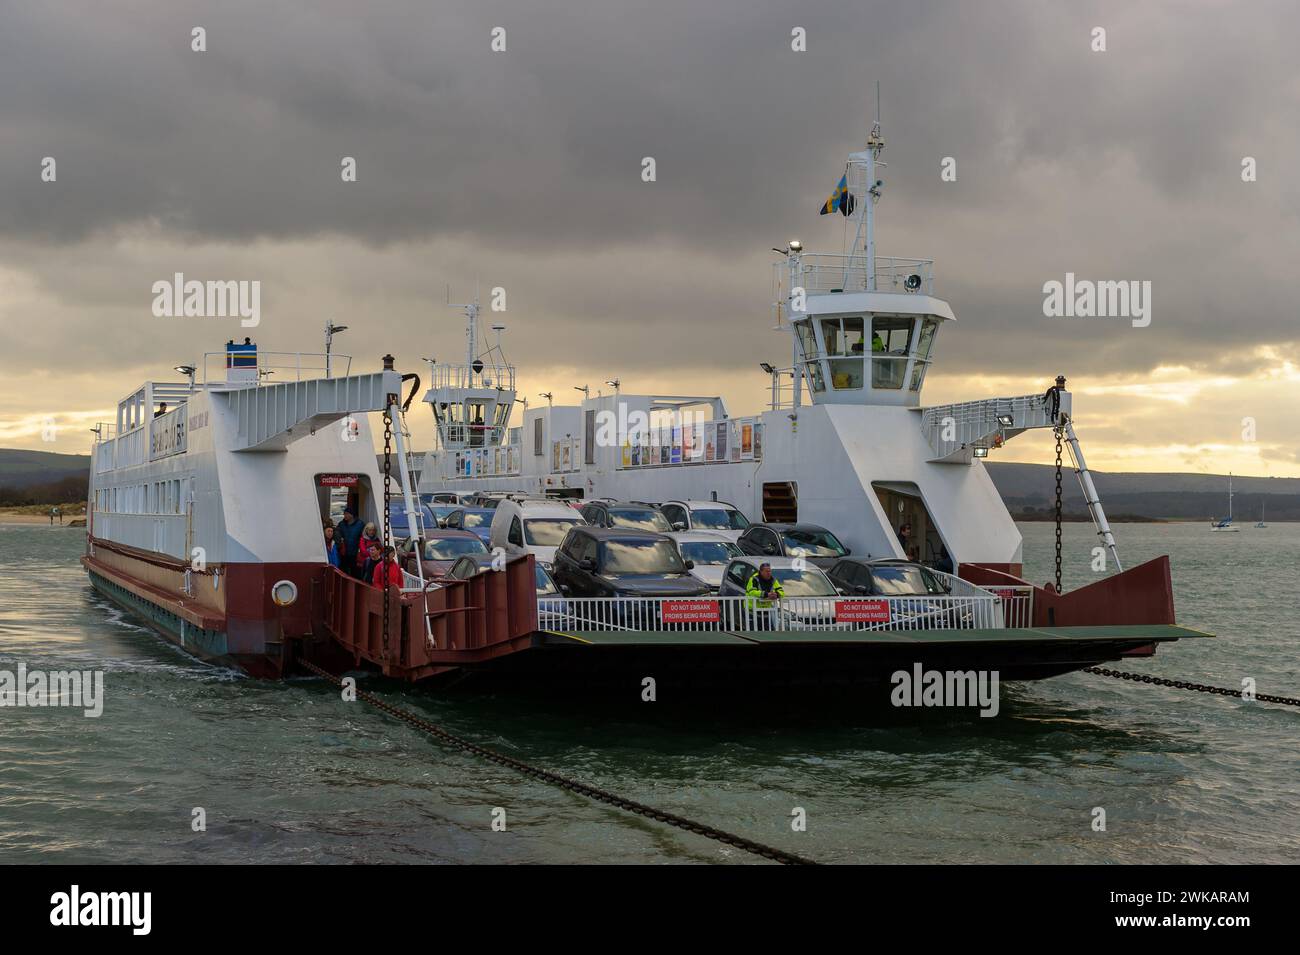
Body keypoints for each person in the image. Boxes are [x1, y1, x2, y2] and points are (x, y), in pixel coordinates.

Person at [745, 562, 785, 630]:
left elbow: (782, 592)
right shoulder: (754, 579)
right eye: (766, 571)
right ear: (761, 571)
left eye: (770, 571)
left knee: (767, 633)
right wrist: (766, 594)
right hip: (752, 611)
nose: (769, 573)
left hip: (766, 611)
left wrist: (776, 595)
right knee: (753, 633)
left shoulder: (773, 580)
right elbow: (752, 592)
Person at [335, 507, 364, 575]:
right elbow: (337, 533)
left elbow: (363, 537)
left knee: (354, 571)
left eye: (346, 514)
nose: (345, 515)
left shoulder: (360, 524)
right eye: (344, 514)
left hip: (354, 552)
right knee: (343, 570)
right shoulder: (341, 524)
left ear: (352, 515)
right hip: (344, 552)